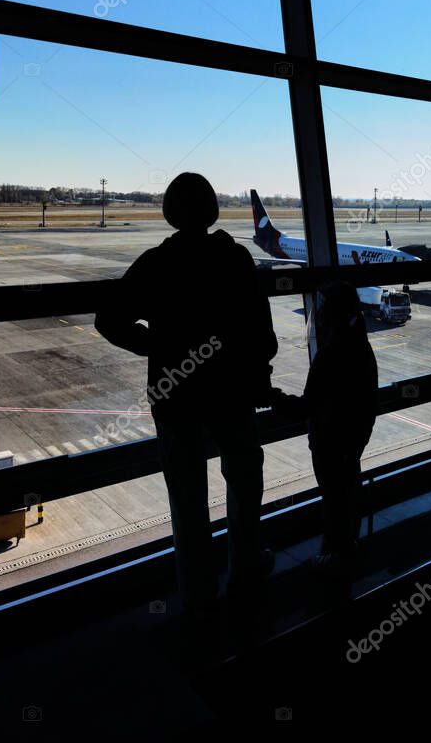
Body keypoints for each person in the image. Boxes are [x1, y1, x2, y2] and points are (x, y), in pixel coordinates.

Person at [95, 173, 277, 633]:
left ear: (170, 213)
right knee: (244, 485)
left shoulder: (157, 262)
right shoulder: (235, 260)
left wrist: (155, 346)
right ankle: (245, 576)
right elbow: (265, 338)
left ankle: (198, 600)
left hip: (175, 395)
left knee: (188, 501)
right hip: (231, 394)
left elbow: (109, 319)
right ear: (213, 210)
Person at [271, 281, 378, 571]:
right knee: (345, 496)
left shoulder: (332, 354)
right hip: (350, 443)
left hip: (331, 444)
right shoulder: (361, 346)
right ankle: (345, 551)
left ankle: (335, 555)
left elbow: (306, 406)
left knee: (334, 499)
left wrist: (272, 397)